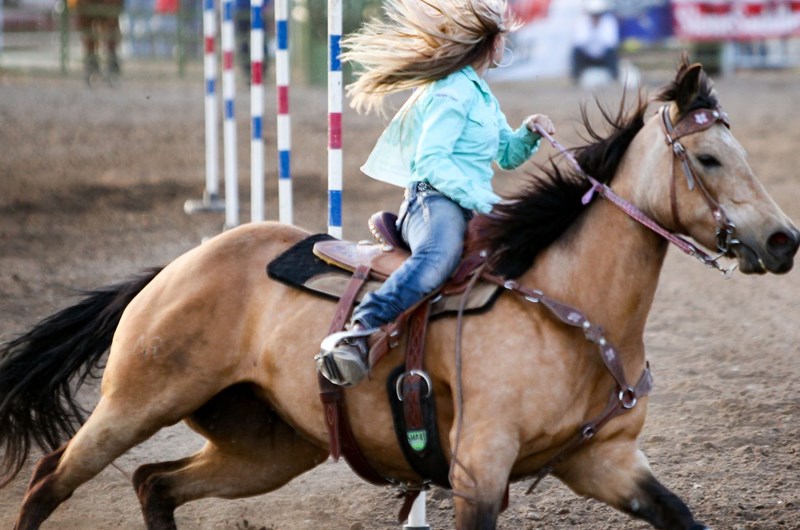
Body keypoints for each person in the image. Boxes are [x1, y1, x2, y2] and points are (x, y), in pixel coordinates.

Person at [316, 0, 555, 386]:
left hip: (469, 203)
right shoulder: (452, 90)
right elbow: (431, 161)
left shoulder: (481, 95)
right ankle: (360, 330)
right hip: (434, 201)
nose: (506, 44)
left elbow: (507, 156)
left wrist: (528, 131)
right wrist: (483, 203)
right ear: (490, 43)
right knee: (437, 257)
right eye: (503, 38)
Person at [571, 0, 619, 84]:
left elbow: (611, 43)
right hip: (587, 57)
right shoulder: (582, 22)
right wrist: (592, 30)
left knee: (612, 52)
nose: (596, 17)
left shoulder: (609, 22)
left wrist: (597, 31)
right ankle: (576, 78)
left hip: (603, 57)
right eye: (593, 14)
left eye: (598, 14)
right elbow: (579, 42)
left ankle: (614, 78)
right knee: (576, 51)